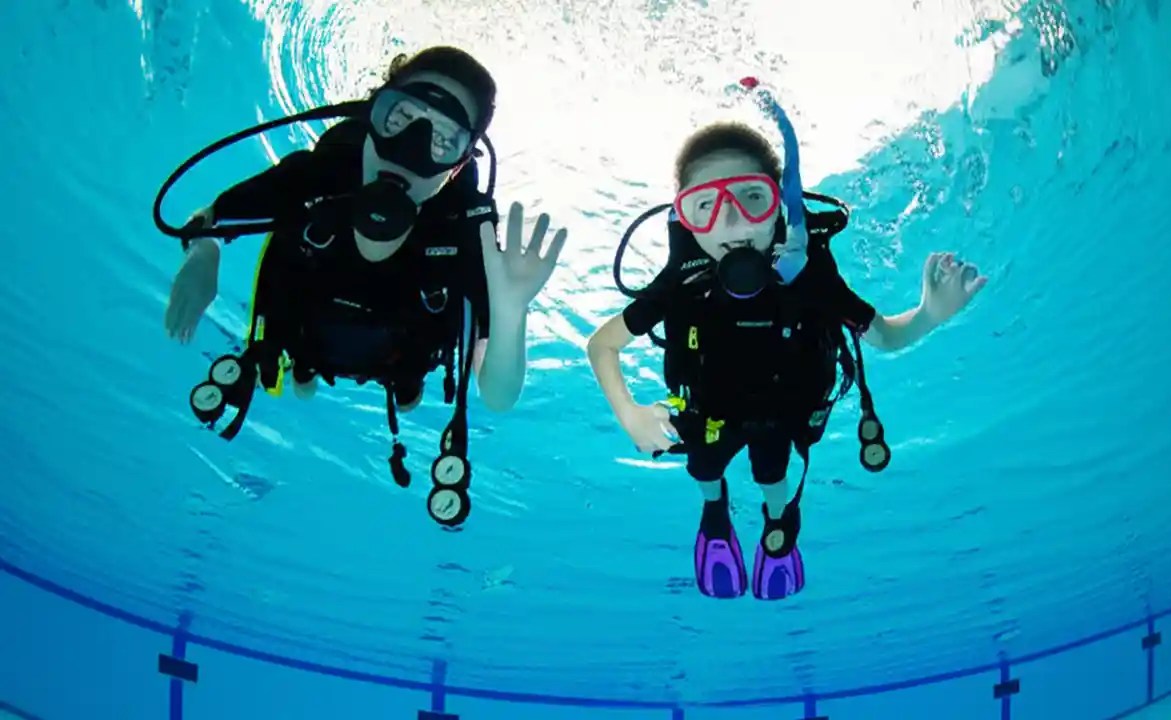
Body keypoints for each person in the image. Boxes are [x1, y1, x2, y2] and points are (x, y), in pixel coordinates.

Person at [587, 88, 986, 600]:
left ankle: (777, 522)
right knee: (705, 466)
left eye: (751, 197)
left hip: (785, 407)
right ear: (684, 219)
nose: (730, 223)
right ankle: (715, 515)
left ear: (779, 201)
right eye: (705, 207)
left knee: (775, 471)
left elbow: (884, 337)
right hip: (707, 408)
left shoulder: (808, 272)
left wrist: (930, 314)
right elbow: (603, 345)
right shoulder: (682, 280)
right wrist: (630, 414)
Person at [158, 46, 566, 527]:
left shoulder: (464, 232)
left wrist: (512, 311)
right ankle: (309, 368)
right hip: (307, 333)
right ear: (374, 113)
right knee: (300, 380)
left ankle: (397, 383)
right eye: (402, 117)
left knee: (404, 387)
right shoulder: (322, 173)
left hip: (402, 352)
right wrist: (206, 254)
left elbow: (497, 395)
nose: (411, 148)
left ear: (458, 165)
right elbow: (210, 218)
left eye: (441, 139)